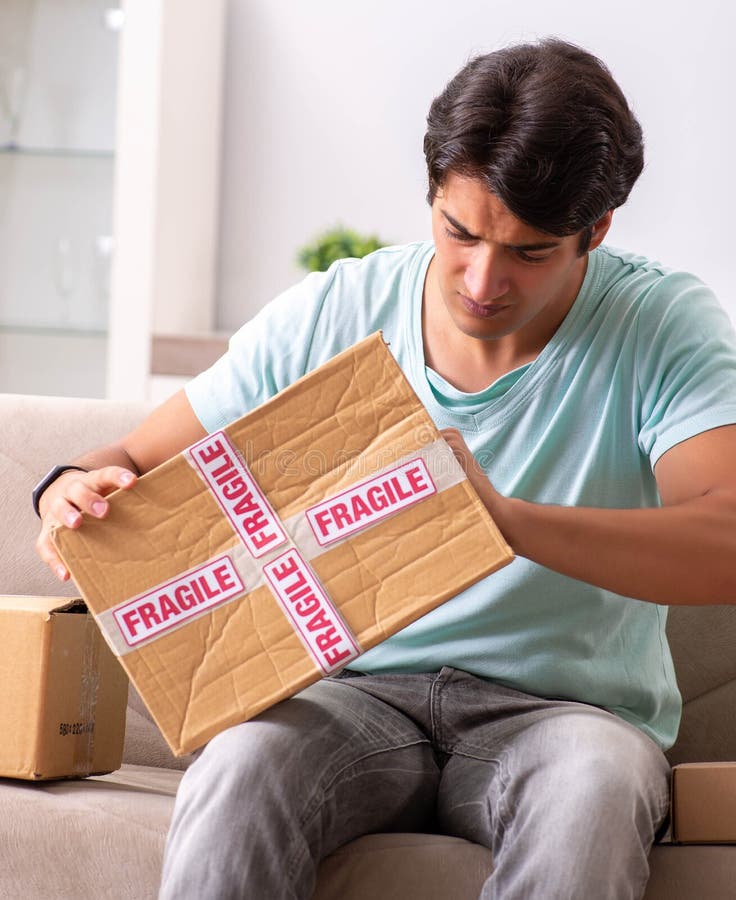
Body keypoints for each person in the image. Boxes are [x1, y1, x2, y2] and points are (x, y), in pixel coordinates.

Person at [34, 38, 736, 900]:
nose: (483, 281)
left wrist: (500, 521)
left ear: (595, 231)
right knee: (240, 767)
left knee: (592, 789)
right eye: (460, 233)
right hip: (351, 696)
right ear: (432, 194)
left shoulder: (660, 323)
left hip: (567, 715)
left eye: (530, 252)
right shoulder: (340, 309)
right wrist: (70, 488)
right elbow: (127, 458)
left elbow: (726, 541)